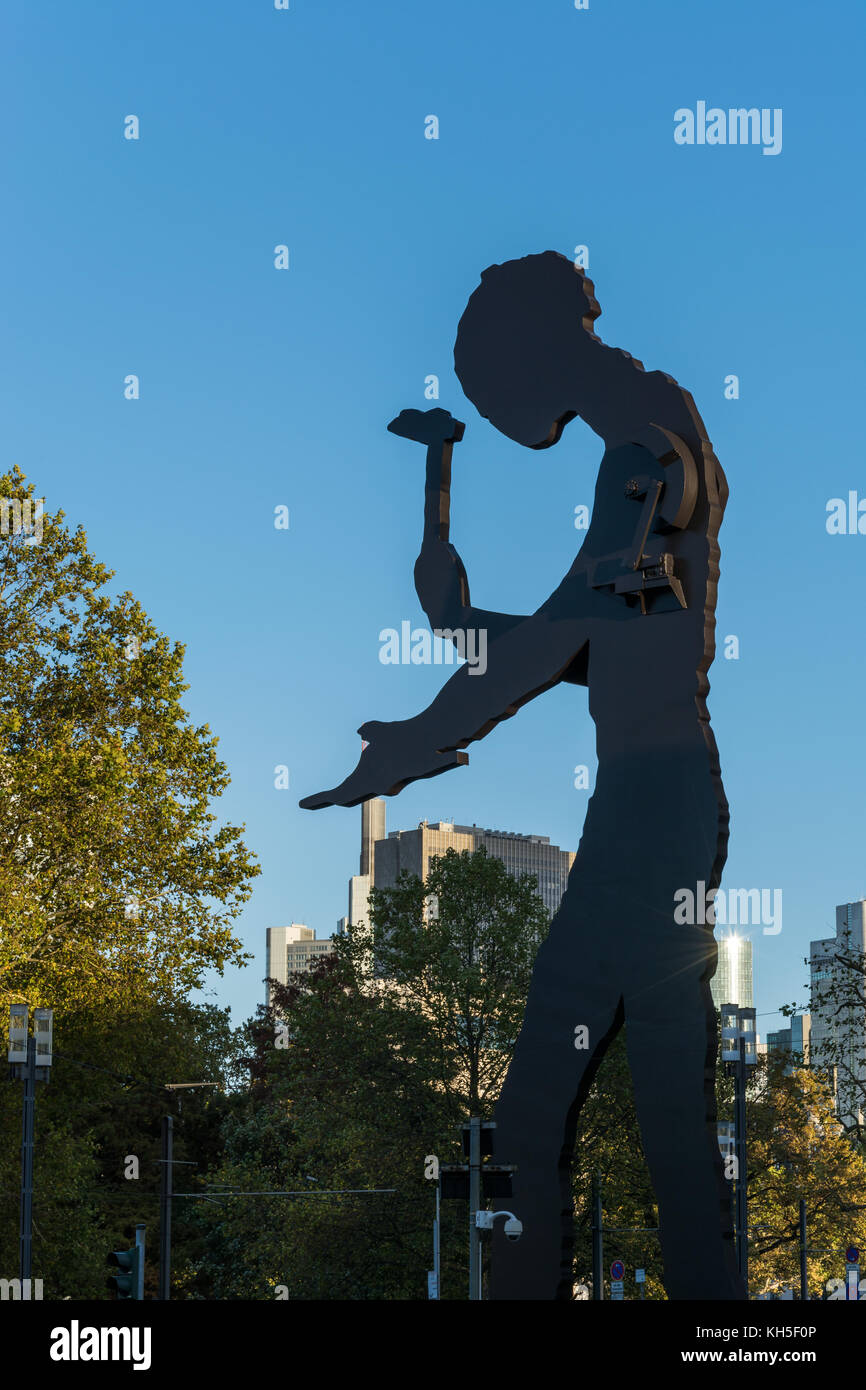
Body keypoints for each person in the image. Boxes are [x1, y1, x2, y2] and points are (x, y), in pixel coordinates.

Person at [301, 251, 744, 1300]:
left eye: (490, 393)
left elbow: (564, 635)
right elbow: (587, 641)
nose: (497, 416)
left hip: (650, 810)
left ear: (531, 354)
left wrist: (416, 740)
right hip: (665, 803)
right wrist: (454, 611)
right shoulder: (650, 428)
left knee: (536, 1108)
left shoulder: (642, 433)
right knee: (664, 1117)